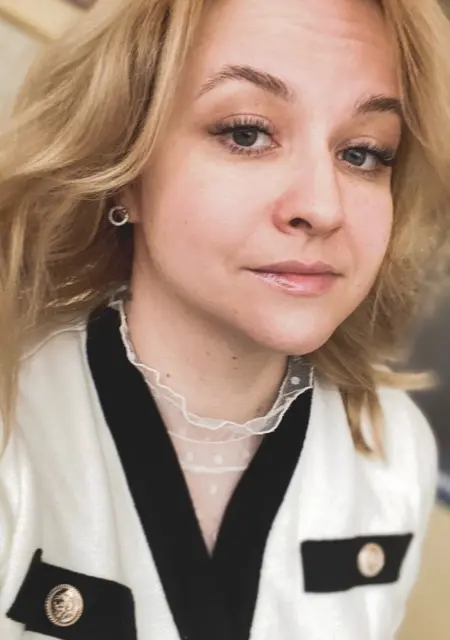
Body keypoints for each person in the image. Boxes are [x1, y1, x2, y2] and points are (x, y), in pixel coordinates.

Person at [0, 0, 449, 637]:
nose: (323, 207)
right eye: (246, 133)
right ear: (127, 172)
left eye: (364, 153)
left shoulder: (392, 447)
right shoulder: (17, 428)